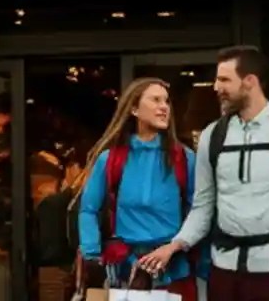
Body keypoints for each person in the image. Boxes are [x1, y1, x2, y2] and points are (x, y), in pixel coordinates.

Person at [138, 46, 269, 301]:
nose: (215, 87)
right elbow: (203, 206)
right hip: (225, 274)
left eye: (224, 79)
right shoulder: (213, 136)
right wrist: (176, 244)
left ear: (250, 82)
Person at [73, 77, 203, 300]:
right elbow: (88, 209)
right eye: (155, 100)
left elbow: (199, 211)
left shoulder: (184, 159)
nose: (164, 107)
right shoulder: (111, 159)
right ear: (134, 109)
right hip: (125, 272)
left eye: (166, 101)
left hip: (174, 271)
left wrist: (187, 254)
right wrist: (92, 255)